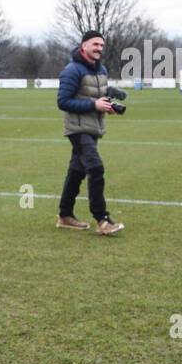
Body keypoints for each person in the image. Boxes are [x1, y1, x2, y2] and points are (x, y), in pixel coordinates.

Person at [55, 31, 124, 235]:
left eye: (102, 45)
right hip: (77, 129)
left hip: (93, 128)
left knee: (77, 172)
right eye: (95, 44)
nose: (99, 49)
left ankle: (65, 215)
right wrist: (94, 104)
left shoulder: (100, 69)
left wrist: (109, 102)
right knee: (95, 168)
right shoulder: (72, 70)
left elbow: (96, 93)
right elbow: (63, 101)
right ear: (84, 45)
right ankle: (102, 220)